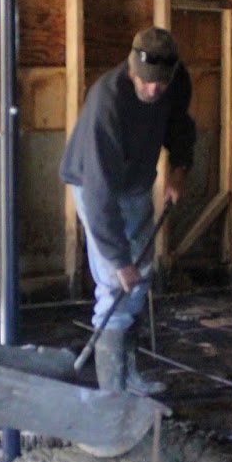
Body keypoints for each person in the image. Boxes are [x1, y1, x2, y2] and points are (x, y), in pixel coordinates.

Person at [60, 26, 195, 395]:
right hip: (94, 183)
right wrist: (120, 260)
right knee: (115, 283)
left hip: (136, 182)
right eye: (147, 82)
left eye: (161, 84)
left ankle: (128, 375)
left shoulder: (175, 80)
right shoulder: (107, 99)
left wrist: (178, 171)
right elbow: (99, 194)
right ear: (132, 69)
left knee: (139, 280)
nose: (154, 90)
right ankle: (112, 392)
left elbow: (180, 125)